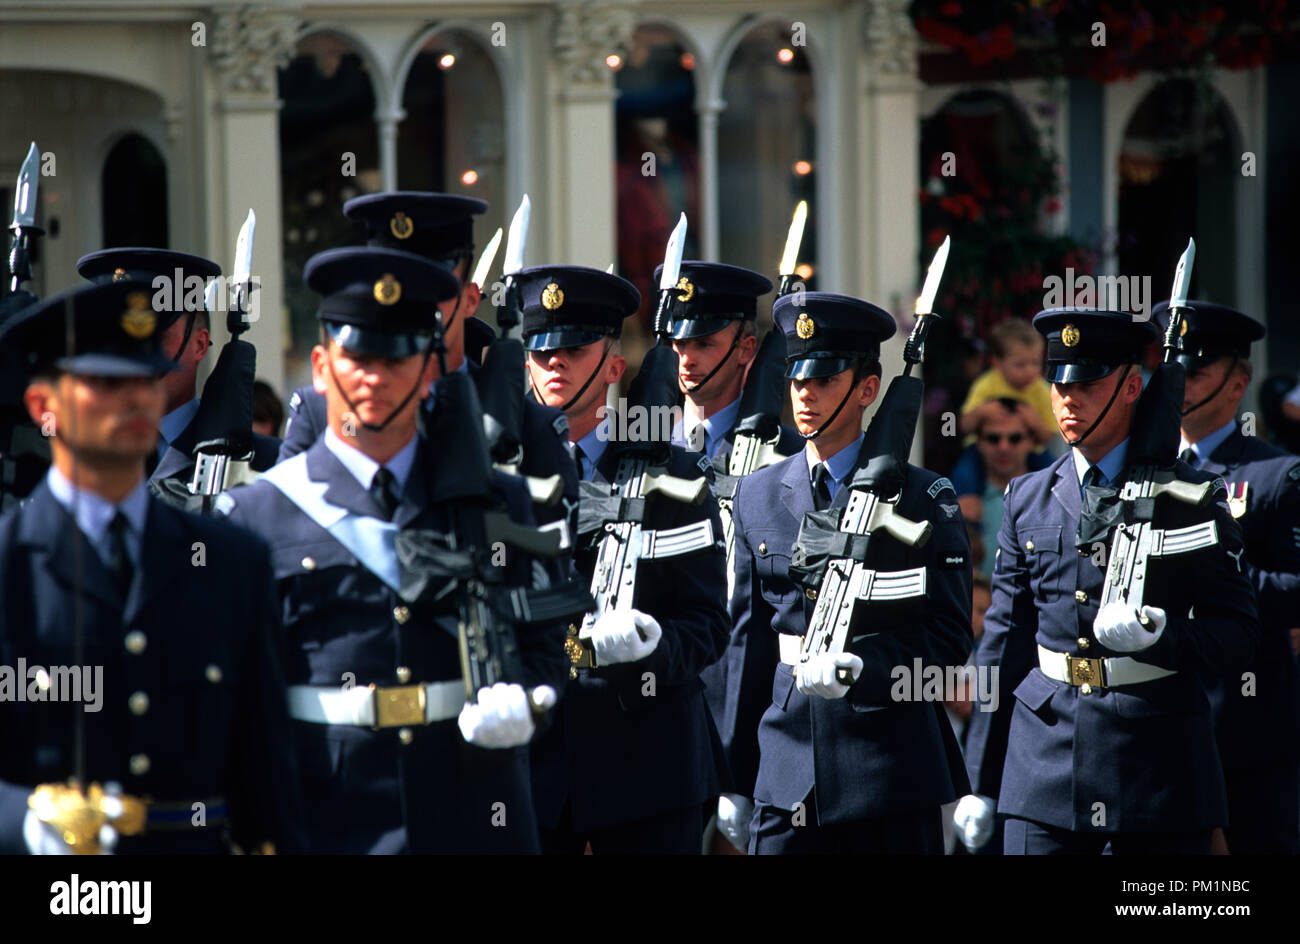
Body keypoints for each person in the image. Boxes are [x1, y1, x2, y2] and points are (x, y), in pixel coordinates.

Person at [219, 247, 568, 853]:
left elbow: (550, 646)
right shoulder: (256, 516)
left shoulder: (504, 503)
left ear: (431, 372)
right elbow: (234, 703)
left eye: (398, 357)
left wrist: (534, 701)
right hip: (327, 822)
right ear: (322, 366)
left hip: (471, 816)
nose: (375, 376)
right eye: (358, 356)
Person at [0, 279, 303, 854]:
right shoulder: (10, 565)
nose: (136, 399)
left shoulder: (232, 562)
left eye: (144, 378)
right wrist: (27, 823)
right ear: (44, 406)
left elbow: (266, 778)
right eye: (107, 382)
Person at [957, 307, 1259, 855]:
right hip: (1042, 771)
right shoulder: (1026, 498)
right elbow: (1002, 643)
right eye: (1059, 383)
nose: (1069, 399)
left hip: (1155, 772)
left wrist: (1162, 636)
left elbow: (1239, 633)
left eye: (1089, 384)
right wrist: (978, 777)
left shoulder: (1192, 499)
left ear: (1131, 387)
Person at [719, 291, 974, 854]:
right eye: (796, 379)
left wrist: (868, 665)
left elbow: (951, 637)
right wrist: (735, 779)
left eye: (825, 380)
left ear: (866, 390)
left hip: (889, 769)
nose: (805, 394)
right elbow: (749, 645)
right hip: (787, 772)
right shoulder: (757, 494)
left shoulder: (925, 498)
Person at [520, 264, 730, 854]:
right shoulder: (500, 476)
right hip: (533, 773)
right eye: (541, 350)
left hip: (647, 771)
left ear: (613, 367)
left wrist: (651, 646)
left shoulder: (676, 478)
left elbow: (708, 622)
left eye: (575, 349)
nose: (554, 362)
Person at [276, 192, 578, 527]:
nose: (410, 304)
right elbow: (286, 529)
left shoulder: (530, 427)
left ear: (469, 300)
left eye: (429, 288)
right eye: (397, 288)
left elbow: (548, 559)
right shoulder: (320, 411)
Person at [1158, 299, 1300, 855]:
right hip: (1158, 720)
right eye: (1173, 372)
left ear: (1237, 384)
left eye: (1197, 374)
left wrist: (1198, 585)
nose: (1181, 386)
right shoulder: (1144, 470)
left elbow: (1295, 589)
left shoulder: (1275, 475)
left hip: (1244, 726)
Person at [76, 249, 281, 490]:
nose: (135, 358)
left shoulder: (265, 464)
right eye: (119, 340)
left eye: (155, 340)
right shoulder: (73, 455)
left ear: (200, 345)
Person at [954, 397, 1042, 576]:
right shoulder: (957, 502)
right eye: (993, 438)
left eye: (1015, 438)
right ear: (978, 442)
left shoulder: (1052, 498)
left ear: (1031, 441)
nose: (1004, 447)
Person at [959, 317, 1056, 449]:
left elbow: (1048, 437)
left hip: (1029, 453)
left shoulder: (1043, 390)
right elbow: (964, 426)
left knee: (1054, 468)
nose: (1030, 371)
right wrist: (981, 412)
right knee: (964, 470)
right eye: (1020, 365)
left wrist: (1035, 423)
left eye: (1035, 363)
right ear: (997, 363)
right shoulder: (986, 385)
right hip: (983, 452)